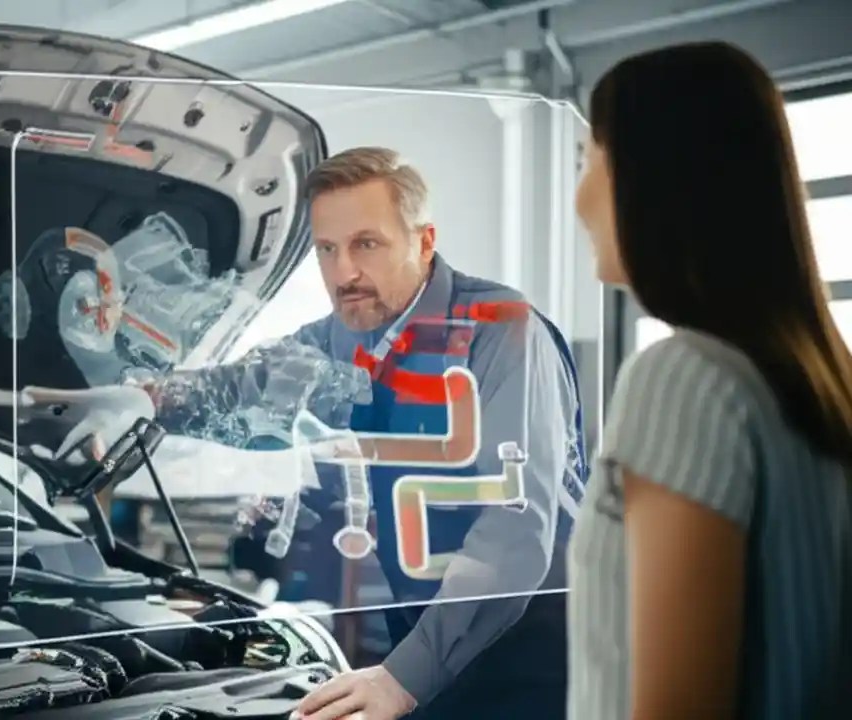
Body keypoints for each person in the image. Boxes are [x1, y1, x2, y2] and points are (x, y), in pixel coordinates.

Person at [75, 146, 587, 719]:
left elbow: (514, 533)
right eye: (327, 249)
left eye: (366, 244)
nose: (343, 273)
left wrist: (403, 677)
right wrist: (143, 400)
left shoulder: (502, 333)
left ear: (423, 240)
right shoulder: (346, 336)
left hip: (538, 656)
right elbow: (248, 385)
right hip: (433, 651)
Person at [570, 41, 852, 720]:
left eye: (587, 159)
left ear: (646, 179)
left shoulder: (684, 380)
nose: (578, 197)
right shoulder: (817, 388)